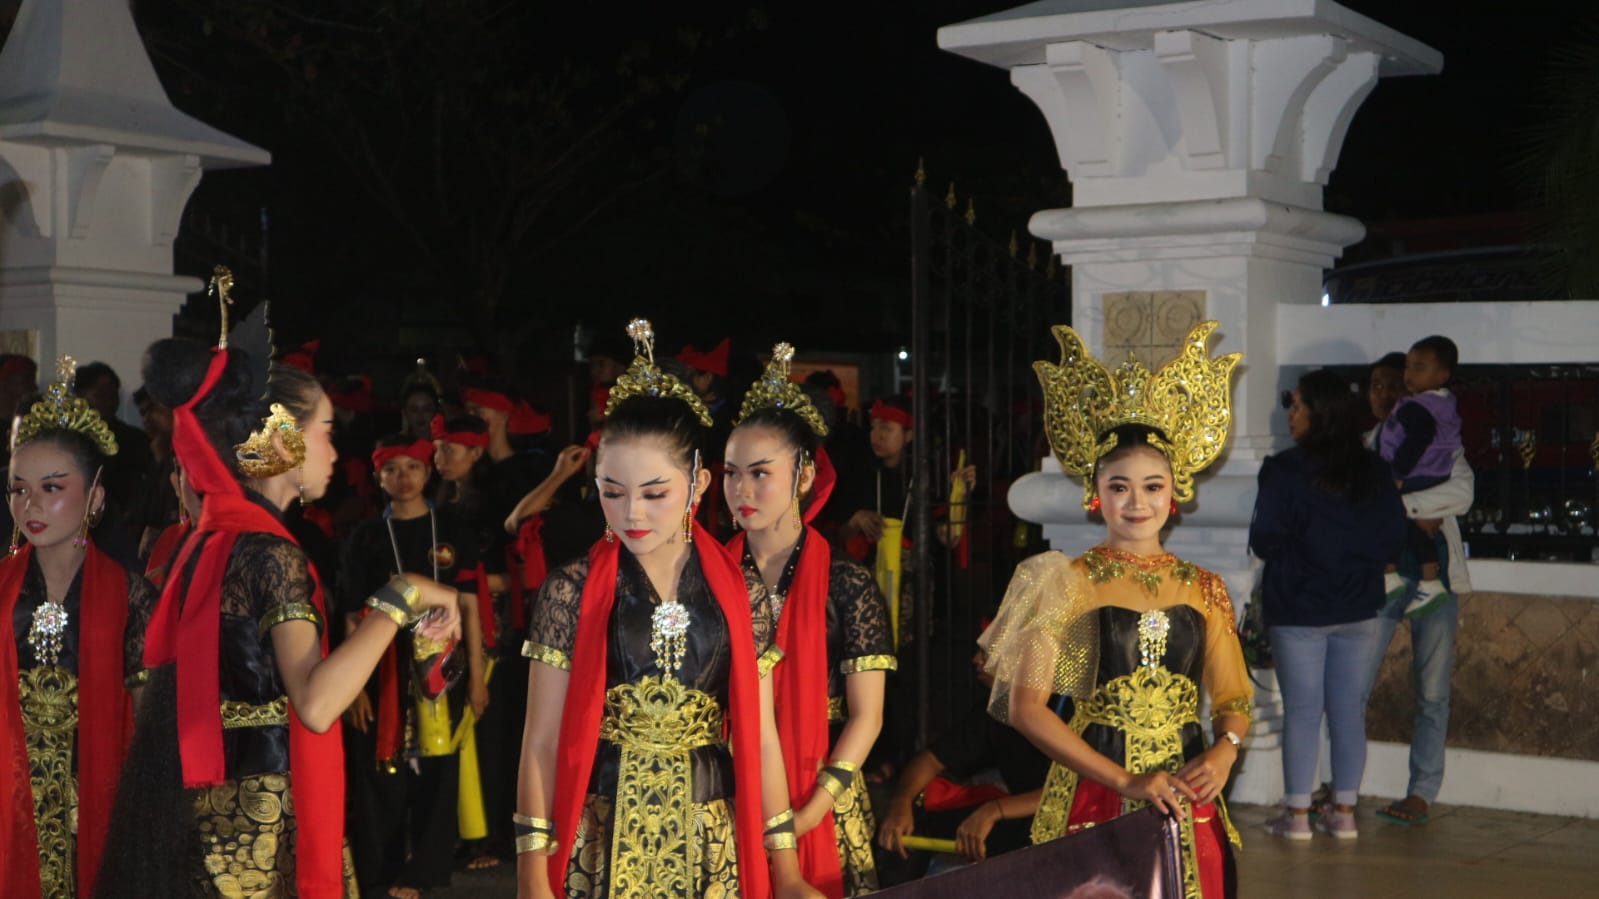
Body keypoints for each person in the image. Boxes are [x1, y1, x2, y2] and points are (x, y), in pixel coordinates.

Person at [95, 331, 462, 898]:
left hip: (208, 811)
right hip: (261, 826)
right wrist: (403, 595)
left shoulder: (212, 538)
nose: (336, 453)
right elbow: (316, 703)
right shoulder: (269, 554)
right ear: (282, 438)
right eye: (326, 432)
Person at [513, 319, 821, 899]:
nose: (632, 514)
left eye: (654, 493)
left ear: (699, 483)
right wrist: (532, 875)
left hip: (709, 834)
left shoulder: (743, 592)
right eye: (611, 491)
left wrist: (787, 871)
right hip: (600, 832)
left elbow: (761, 738)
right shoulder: (571, 588)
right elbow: (542, 741)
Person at [980, 322, 1251, 899]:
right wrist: (1125, 780)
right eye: (1120, 486)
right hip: (1096, 788)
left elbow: (1233, 699)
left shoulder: (1205, 588)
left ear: (1175, 493)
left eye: (1153, 487)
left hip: (1188, 793)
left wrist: (1225, 753)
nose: (1137, 502)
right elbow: (1029, 710)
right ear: (1094, 492)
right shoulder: (1065, 582)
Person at [724, 343, 895, 897]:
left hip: (820, 785)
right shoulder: (706, 574)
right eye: (730, 473)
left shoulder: (846, 581)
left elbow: (867, 716)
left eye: (759, 473)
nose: (741, 491)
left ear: (803, 476)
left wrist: (814, 806)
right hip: (726, 783)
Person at [0, 356, 159, 899]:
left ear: (94, 497)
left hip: (97, 797)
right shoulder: (0, 589)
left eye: (51, 487)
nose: (31, 504)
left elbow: (151, 724)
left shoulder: (133, 595)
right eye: (19, 488)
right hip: (8, 802)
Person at [1250, 369, 1406, 841]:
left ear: (1318, 413)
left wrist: (1302, 552)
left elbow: (1265, 539)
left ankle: (1297, 816)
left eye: (1296, 405)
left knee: (1301, 711)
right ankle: (1343, 813)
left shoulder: (1283, 470)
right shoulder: (1374, 470)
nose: (1291, 414)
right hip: (1357, 605)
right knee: (1346, 711)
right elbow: (1393, 536)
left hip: (1300, 606)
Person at [339, 435, 480, 898]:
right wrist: (352, 688)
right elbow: (348, 614)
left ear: (429, 472)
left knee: (440, 771)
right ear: (378, 478)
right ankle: (381, 870)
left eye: (413, 468)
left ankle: (425, 871)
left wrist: (478, 677)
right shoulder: (366, 535)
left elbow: (471, 606)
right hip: (382, 668)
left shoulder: (451, 525)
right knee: (382, 770)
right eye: (391, 470)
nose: (403, 478)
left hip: (444, 665)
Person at [1362, 354, 1474, 828]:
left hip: (1436, 580)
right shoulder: (1365, 447)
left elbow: (1462, 495)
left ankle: (1421, 793)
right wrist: (1410, 510)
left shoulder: (1435, 439)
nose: (1385, 394)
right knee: (1352, 687)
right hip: (1377, 578)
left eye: (1395, 385)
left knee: (1432, 694)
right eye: (1376, 386)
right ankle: (1338, 784)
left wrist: (1394, 507)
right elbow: (1355, 503)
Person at [875, 646, 1049, 881]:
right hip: (1017, 817)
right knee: (906, 826)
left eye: (986, 652)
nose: (975, 659)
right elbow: (930, 759)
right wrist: (901, 803)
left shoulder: (1063, 708)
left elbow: (1072, 791)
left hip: (1065, 825)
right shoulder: (997, 708)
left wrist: (993, 811)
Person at [1376, 336, 1462, 619]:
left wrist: (1398, 475)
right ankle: (1425, 578)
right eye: (1409, 367)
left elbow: (1417, 441)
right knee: (1404, 519)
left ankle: (1393, 572)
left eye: (1419, 368)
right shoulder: (1444, 403)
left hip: (1418, 475)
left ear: (1442, 375)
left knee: (1388, 511)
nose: (1410, 374)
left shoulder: (1417, 407)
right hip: (1432, 474)